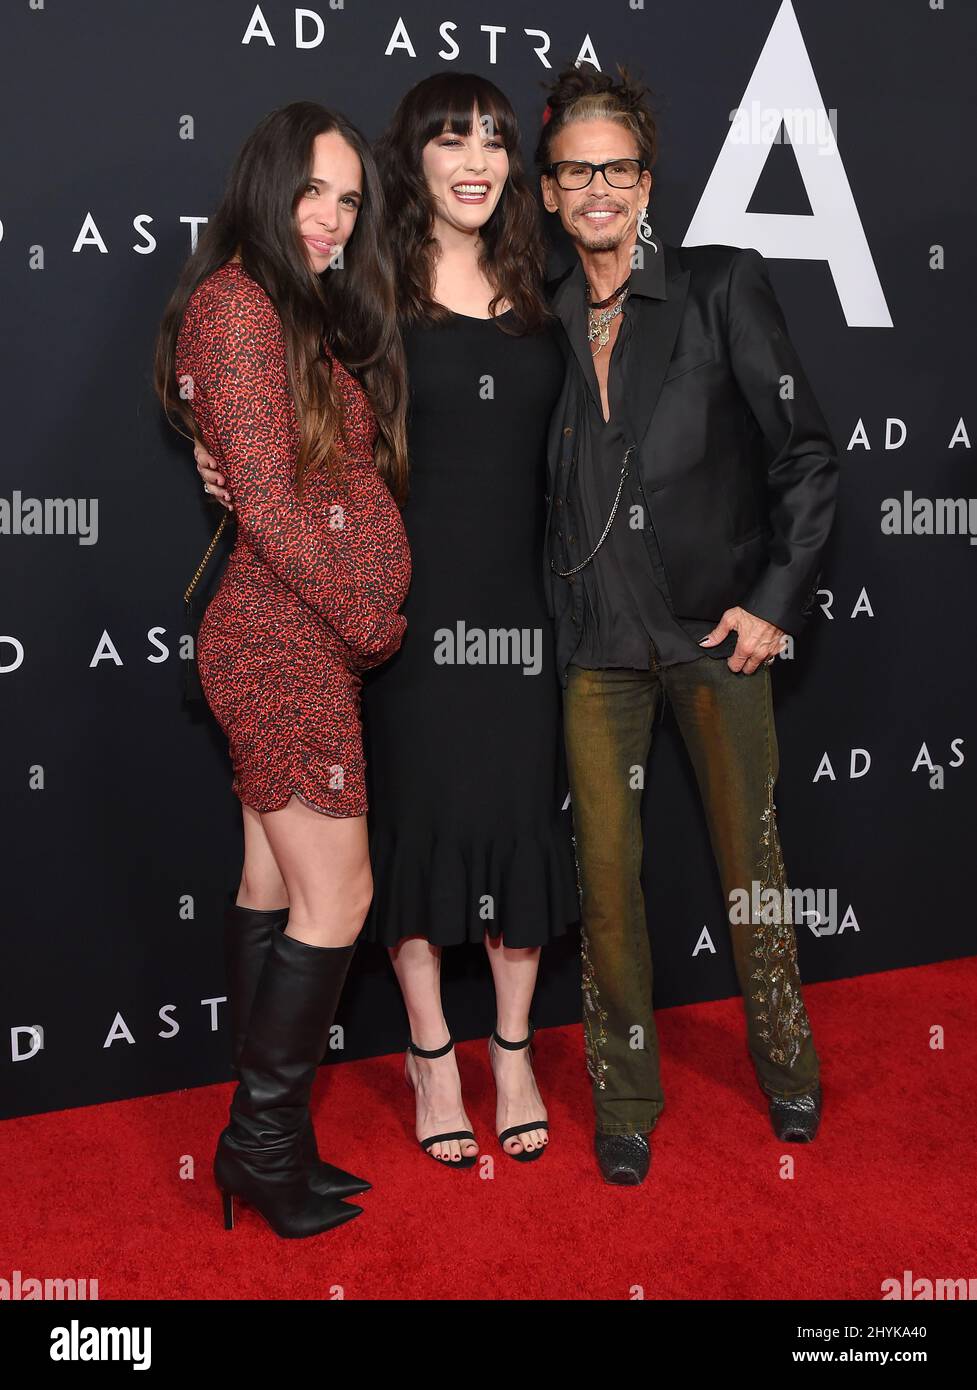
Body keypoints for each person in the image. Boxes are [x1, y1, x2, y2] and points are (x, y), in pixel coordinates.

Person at [196, 73, 580, 1167]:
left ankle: (510, 1052)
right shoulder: (360, 291)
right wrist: (209, 443)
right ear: (411, 160)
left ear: (514, 164)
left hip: (519, 609)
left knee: (516, 831)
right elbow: (254, 378)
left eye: (495, 139)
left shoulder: (544, 280)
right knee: (403, 849)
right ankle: (427, 1058)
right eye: (450, 137)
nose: (475, 157)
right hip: (391, 618)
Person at [536, 63, 838, 1184]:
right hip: (595, 651)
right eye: (576, 171)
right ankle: (623, 1096)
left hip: (712, 640)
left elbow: (805, 455)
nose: (598, 188)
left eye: (615, 167)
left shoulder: (717, 285)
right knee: (605, 888)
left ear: (645, 182)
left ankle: (790, 1068)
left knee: (749, 872)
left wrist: (770, 601)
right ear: (551, 192)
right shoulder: (539, 320)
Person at [155, 101, 411, 1235]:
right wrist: (365, 613)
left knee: (272, 886)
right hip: (286, 639)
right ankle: (257, 1143)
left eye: (349, 200)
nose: (332, 217)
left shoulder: (282, 310)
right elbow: (263, 497)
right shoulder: (237, 305)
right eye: (315, 190)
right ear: (266, 185)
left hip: (292, 631)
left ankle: (272, 1138)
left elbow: (276, 475)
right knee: (338, 895)